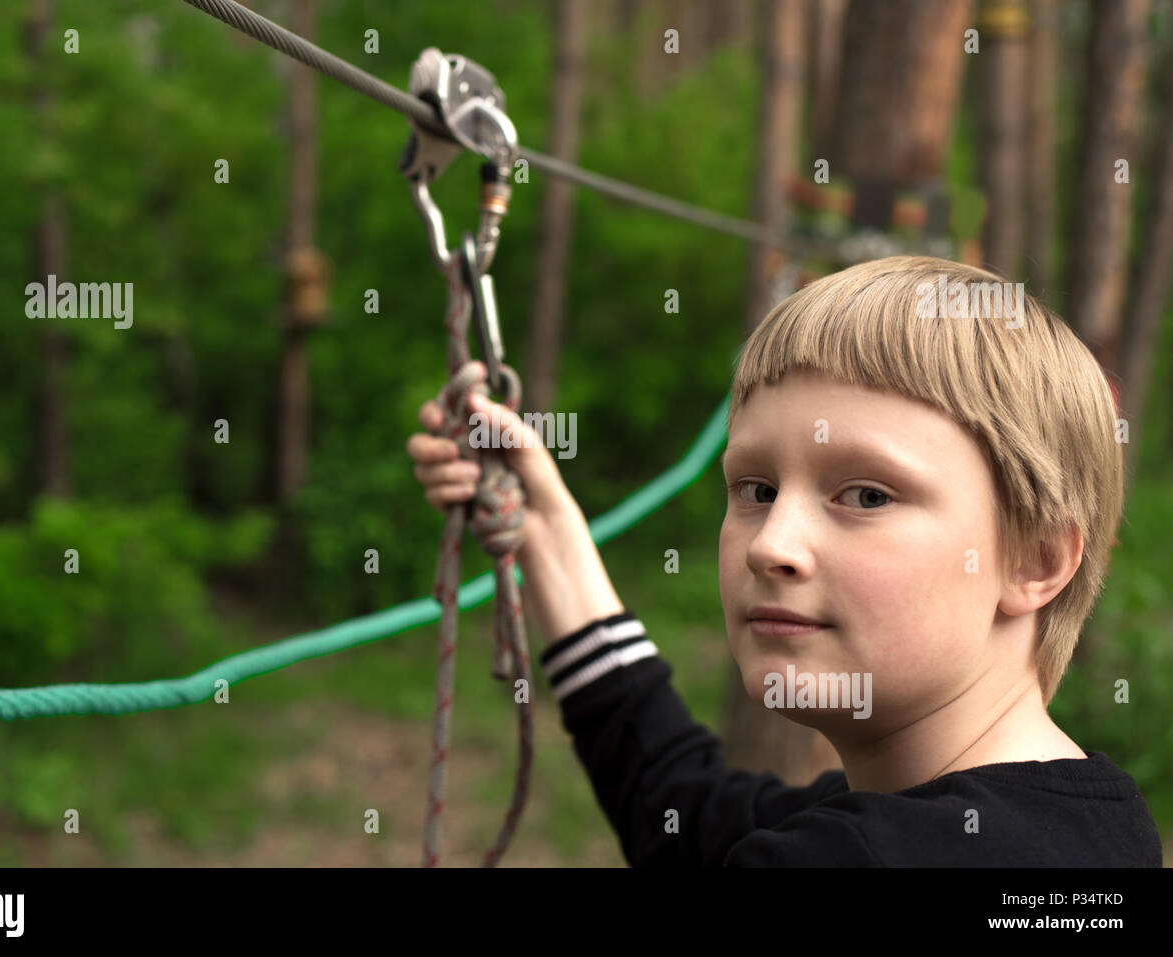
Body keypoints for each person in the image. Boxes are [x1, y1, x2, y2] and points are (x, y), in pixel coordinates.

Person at [405, 256, 1163, 866]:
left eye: (865, 495)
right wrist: (544, 529)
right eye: (758, 488)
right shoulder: (1100, 823)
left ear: (1035, 559)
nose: (772, 544)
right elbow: (679, 810)